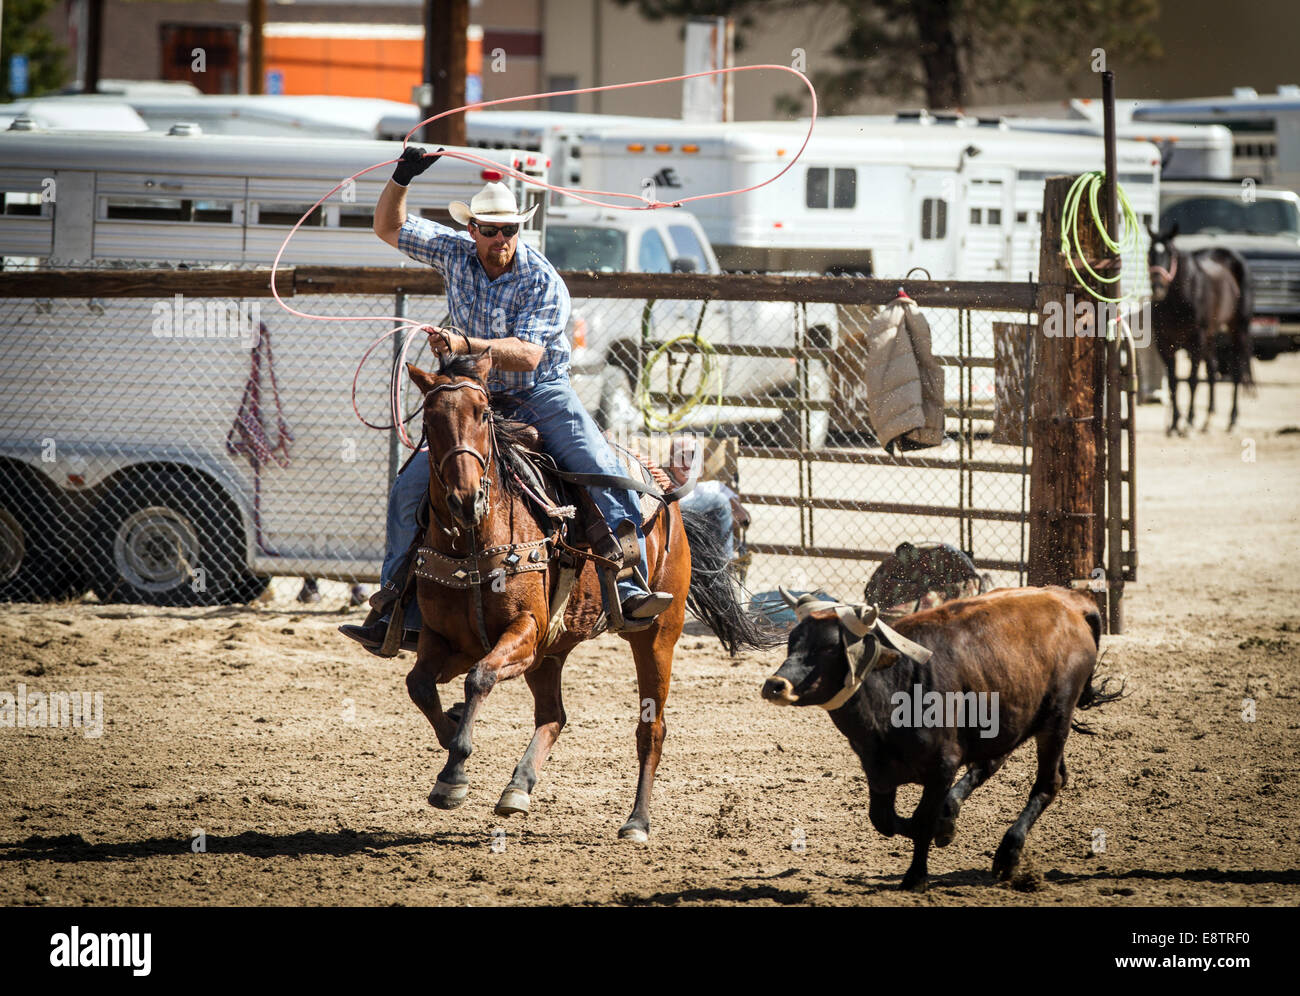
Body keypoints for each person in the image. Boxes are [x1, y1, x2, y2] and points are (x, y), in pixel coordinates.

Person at [339, 146, 672, 654]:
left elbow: (530, 355)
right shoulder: (453, 251)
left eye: (509, 230)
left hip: (540, 394)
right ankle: (395, 602)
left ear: (520, 230)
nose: (500, 239)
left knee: (598, 466)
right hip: (475, 397)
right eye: (490, 230)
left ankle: (627, 586)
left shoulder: (542, 280)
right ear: (472, 229)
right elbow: (389, 227)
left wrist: (465, 345)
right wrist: (402, 177)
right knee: (410, 488)